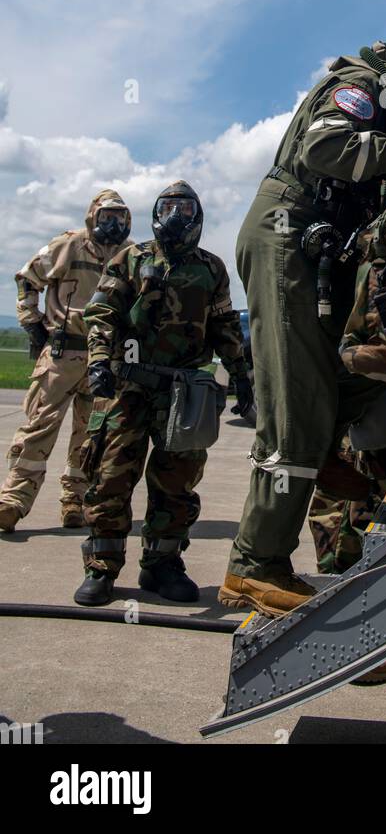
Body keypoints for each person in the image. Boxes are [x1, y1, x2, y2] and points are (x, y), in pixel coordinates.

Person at [220, 23, 386, 667]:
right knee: (298, 408)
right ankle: (255, 564)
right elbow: (326, 151)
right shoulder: (356, 89)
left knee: (353, 385)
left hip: (326, 260)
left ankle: (293, 536)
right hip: (287, 241)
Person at [74, 181, 250, 606]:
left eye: (185, 209)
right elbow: (102, 315)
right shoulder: (130, 259)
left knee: (177, 482)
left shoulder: (211, 268)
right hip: (128, 388)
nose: (176, 216)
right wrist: (98, 362)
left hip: (183, 392)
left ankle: (162, 565)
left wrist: (241, 375)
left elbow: (225, 324)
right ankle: (102, 567)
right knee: (111, 476)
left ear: (198, 217)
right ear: (155, 211)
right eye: (169, 206)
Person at [0, 191, 132, 534]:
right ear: (93, 216)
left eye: (120, 217)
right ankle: (13, 502)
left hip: (104, 358)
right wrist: (31, 322)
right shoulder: (68, 246)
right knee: (38, 428)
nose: (113, 224)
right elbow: (28, 278)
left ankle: (75, 502)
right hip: (62, 355)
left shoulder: (128, 254)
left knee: (92, 436)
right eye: (106, 217)